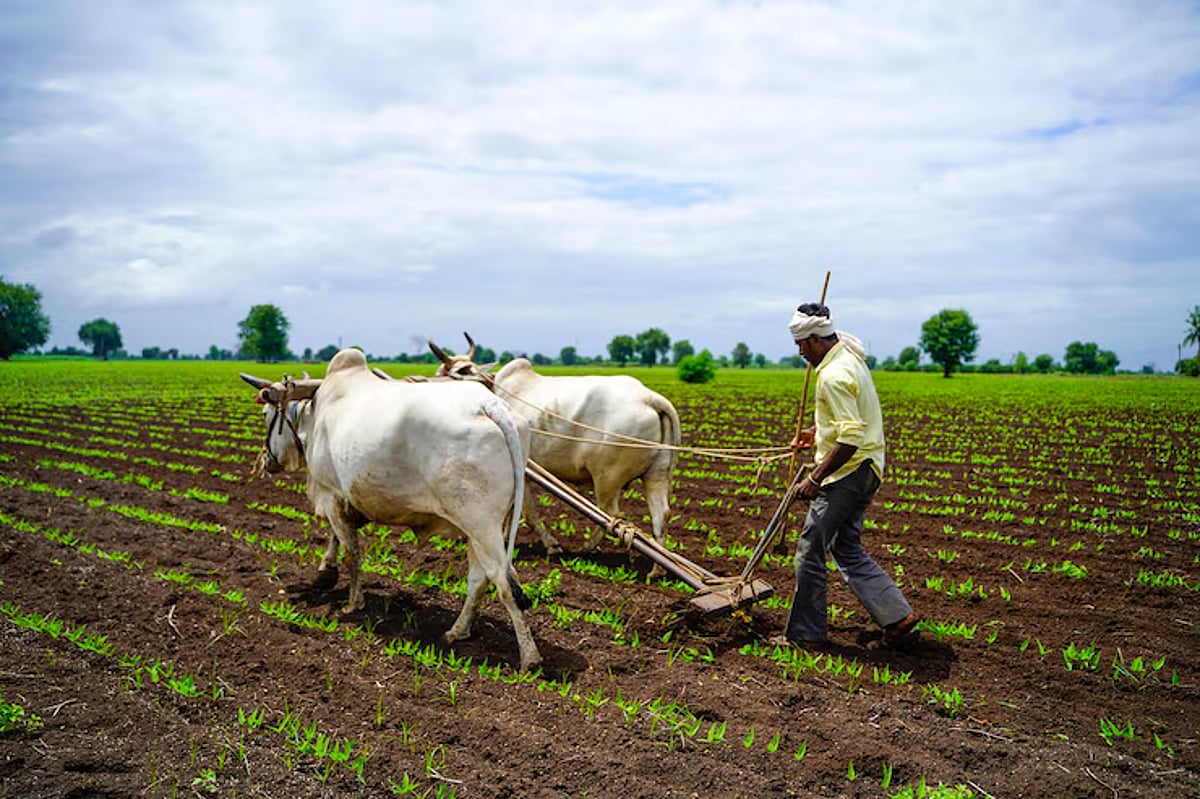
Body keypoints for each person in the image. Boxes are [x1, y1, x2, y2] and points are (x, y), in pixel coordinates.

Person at [770, 302, 918, 649]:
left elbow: (850, 437)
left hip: (848, 473)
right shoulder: (848, 356)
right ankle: (898, 618)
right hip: (869, 466)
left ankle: (806, 635)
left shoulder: (834, 375)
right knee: (846, 546)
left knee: (809, 550)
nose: (800, 352)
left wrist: (816, 477)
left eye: (802, 345)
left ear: (817, 340)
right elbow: (847, 421)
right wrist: (816, 430)